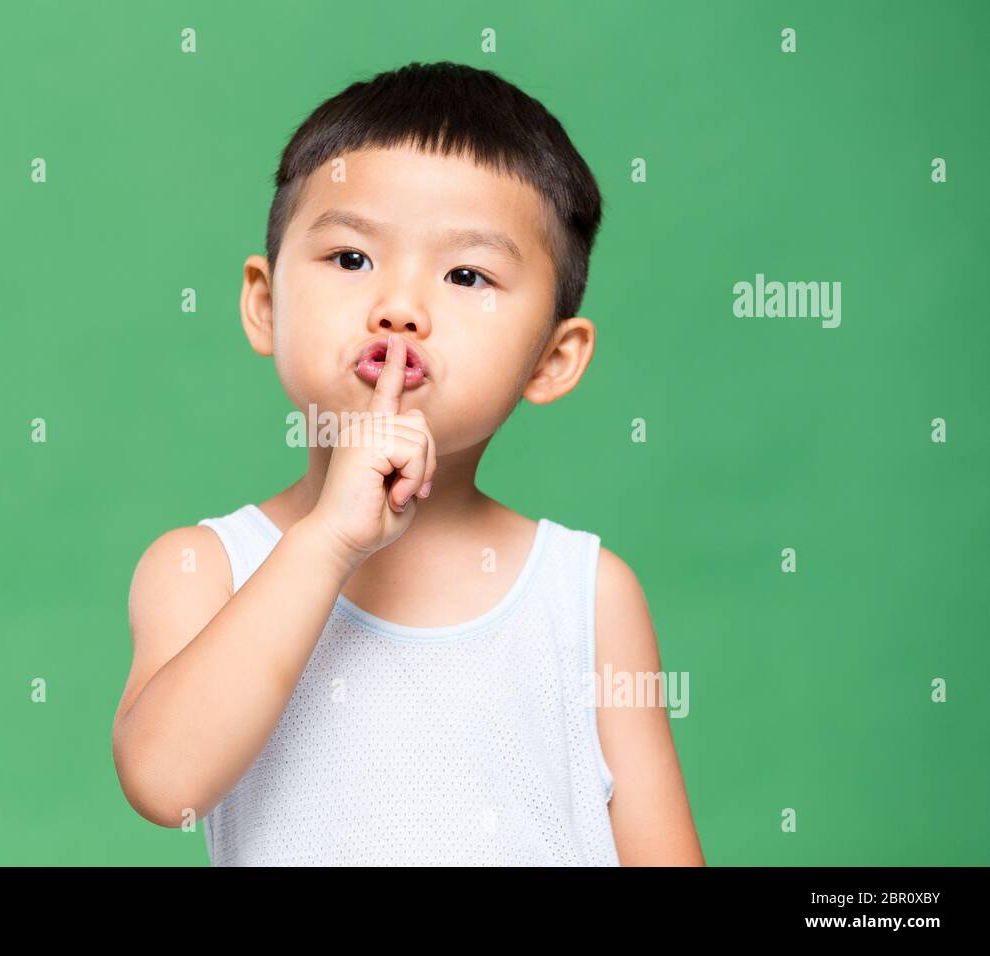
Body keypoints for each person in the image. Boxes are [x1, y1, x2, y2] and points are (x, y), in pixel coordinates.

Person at [112, 61, 705, 866]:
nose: (400, 307)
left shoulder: (588, 595)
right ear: (265, 303)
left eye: (467, 274)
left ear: (553, 360)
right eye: (351, 258)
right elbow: (165, 782)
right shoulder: (202, 567)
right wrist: (328, 541)